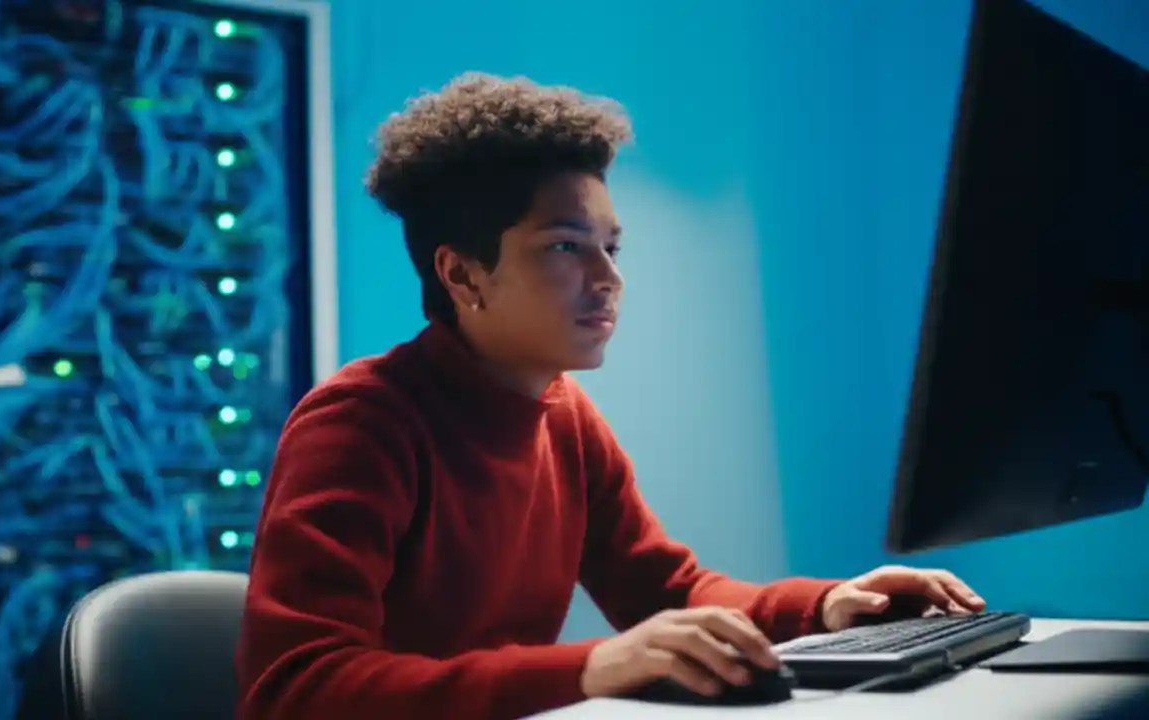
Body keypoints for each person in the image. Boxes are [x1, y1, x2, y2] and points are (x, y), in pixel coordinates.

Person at [235, 72, 986, 720]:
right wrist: (591, 669)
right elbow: (297, 691)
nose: (609, 278)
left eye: (611, 247)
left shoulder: (563, 415)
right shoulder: (361, 423)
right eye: (566, 246)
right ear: (463, 276)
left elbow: (669, 591)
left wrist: (825, 608)